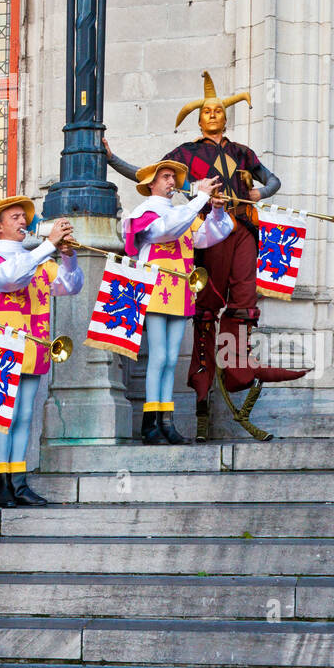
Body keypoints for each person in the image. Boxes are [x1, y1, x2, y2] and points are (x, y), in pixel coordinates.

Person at [105, 69, 304, 442]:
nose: (212, 114)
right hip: (165, 281)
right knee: (182, 335)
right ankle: (173, 408)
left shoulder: (242, 153)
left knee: (229, 310)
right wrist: (114, 161)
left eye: (218, 110)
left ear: (226, 116)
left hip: (232, 232)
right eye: (206, 111)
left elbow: (263, 187)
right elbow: (145, 177)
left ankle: (225, 377)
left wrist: (250, 198)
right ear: (198, 119)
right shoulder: (179, 167)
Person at [0, 195, 83, 507]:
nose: (23, 222)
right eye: (15, 217)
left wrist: (68, 257)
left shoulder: (40, 260)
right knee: (3, 415)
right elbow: (11, 278)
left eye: (24, 217)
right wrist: (48, 246)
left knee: (25, 416)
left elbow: (72, 286)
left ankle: (18, 481)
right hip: (2, 346)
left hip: (35, 346)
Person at [123, 161, 232, 444]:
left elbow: (210, 236)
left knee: (171, 359)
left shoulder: (181, 212)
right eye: (166, 177)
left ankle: (166, 421)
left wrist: (217, 209)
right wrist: (201, 199)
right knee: (158, 356)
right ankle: (151, 423)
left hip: (181, 287)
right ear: (151, 183)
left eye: (173, 177)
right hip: (156, 286)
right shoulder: (146, 211)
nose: (172, 182)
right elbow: (165, 231)